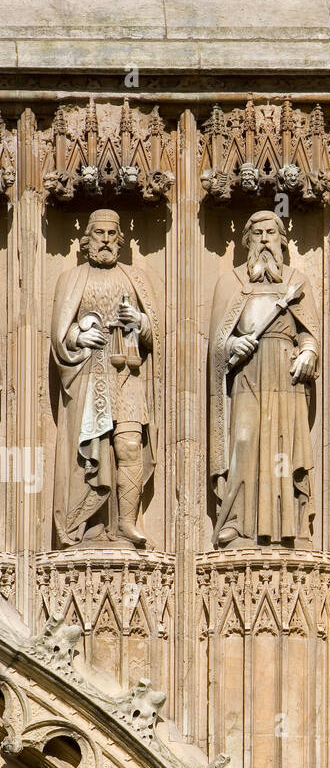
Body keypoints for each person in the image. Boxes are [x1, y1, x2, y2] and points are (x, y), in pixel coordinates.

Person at [209, 209, 320, 547]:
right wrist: (231, 344)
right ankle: (237, 520)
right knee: (243, 441)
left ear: (282, 241)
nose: (264, 240)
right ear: (247, 242)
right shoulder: (231, 282)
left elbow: (309, 333)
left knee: (283, 446)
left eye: (271, 233)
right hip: (247, 375)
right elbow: (217, 341)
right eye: (257, 234)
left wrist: (309, 352)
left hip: (285, 377)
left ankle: (290, 523)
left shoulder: (297, 282)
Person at [51, 208, 161, 547]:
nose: (106, 241)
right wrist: (78, 338)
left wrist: (140, 320)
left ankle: (127, 523)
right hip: (90, 374)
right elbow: (61, 333)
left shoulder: (135, 278)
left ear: (121, 241)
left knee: (129, 444)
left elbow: (155, 334)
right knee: (93, 450)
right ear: (86, 240)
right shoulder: (72, 279)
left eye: (112, 235)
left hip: (127, 372)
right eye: (99, 234)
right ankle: (91, 525)